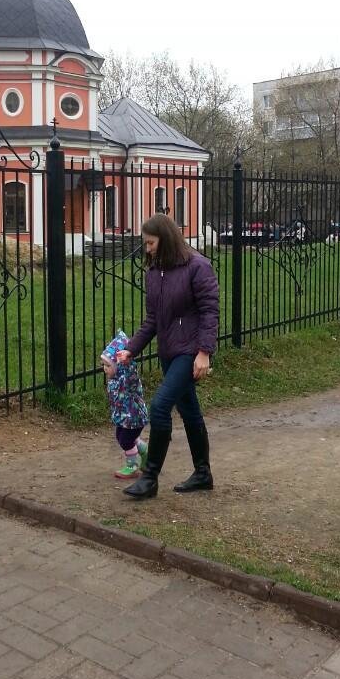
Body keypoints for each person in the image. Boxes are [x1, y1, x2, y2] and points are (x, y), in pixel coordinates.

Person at [117, 214, 219, 500]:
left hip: (190, 352)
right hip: (169, 352)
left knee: (160, 407)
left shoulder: (198, 266)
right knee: (189, 410)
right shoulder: (155, 273)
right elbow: (153, 320)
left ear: (166, 238)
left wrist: (204, 353)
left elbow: (210, 312)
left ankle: (149, 478)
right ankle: (203, 473)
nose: (147, 249)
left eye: (150, 243)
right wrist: (131, 348)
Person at [100, 329, 149, 479]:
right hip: (123, 417)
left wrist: (127, 362)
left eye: (108, 365)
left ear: (118, 366)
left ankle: (132, 466)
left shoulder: (127, 378)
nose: (104, 369)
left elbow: (131, 372)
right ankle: (145, 451)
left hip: (134, 417)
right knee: (122, 436)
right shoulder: (115, 380)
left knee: (125, 440)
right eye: (104, 365)